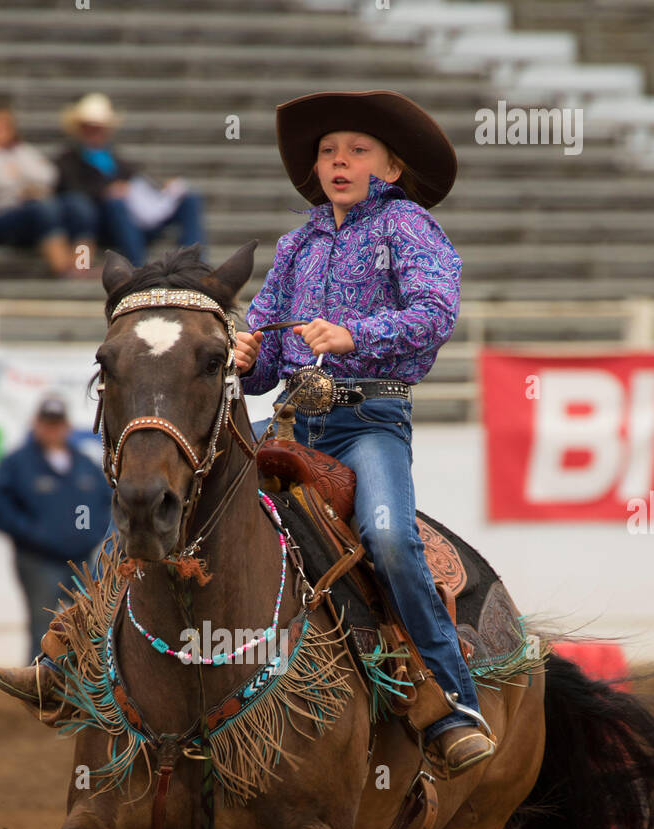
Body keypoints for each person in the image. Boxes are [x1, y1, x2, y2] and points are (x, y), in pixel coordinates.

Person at [234, 89, 494, 778]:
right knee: (188, 482)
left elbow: (434, 313)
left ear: (392, 168)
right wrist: (246, 355)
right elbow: (262, 348)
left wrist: (354, 334)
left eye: (355, 149)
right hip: (294, 418)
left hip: (368, 422)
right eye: (327, 151)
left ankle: (454, 702)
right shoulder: (296, 245)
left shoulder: (406, 227)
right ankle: (77, 661)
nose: (337, 161)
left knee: (386, 536)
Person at [0, 396, 113, 663]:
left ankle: (85, 689)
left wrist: (89, 535)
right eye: (47, 423)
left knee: (91, 626)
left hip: (81, 561)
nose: (52, 430)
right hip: (38, 561)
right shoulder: (17, 464)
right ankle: (37, 688)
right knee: (42, 628)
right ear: (37, 424)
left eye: (57, 424)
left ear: (66, 426)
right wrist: (35, 534)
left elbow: (105, 505)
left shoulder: (84, 464)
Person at [55, 93, 206, 266]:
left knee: (189, 199)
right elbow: (71, 194)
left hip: (138, 218)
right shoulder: (66, 161)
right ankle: (137, 267)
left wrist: (162, 189)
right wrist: (107, 193)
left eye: (99, 126)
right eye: (89, 126)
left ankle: (194, 264)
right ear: (80, 128)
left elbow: (139, 185)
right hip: (106, 224)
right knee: (116, 204)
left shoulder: (118, 160)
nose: (94, 131)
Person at [0, 106, 96, 276]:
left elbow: (49, 175)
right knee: (43, 209)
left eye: (5, 125)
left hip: (34, 210)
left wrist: (18, 176)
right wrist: (26, 186)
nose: (0, 130)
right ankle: (63, 269)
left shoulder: (22, 150)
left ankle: (82, 265)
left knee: (78, 204)